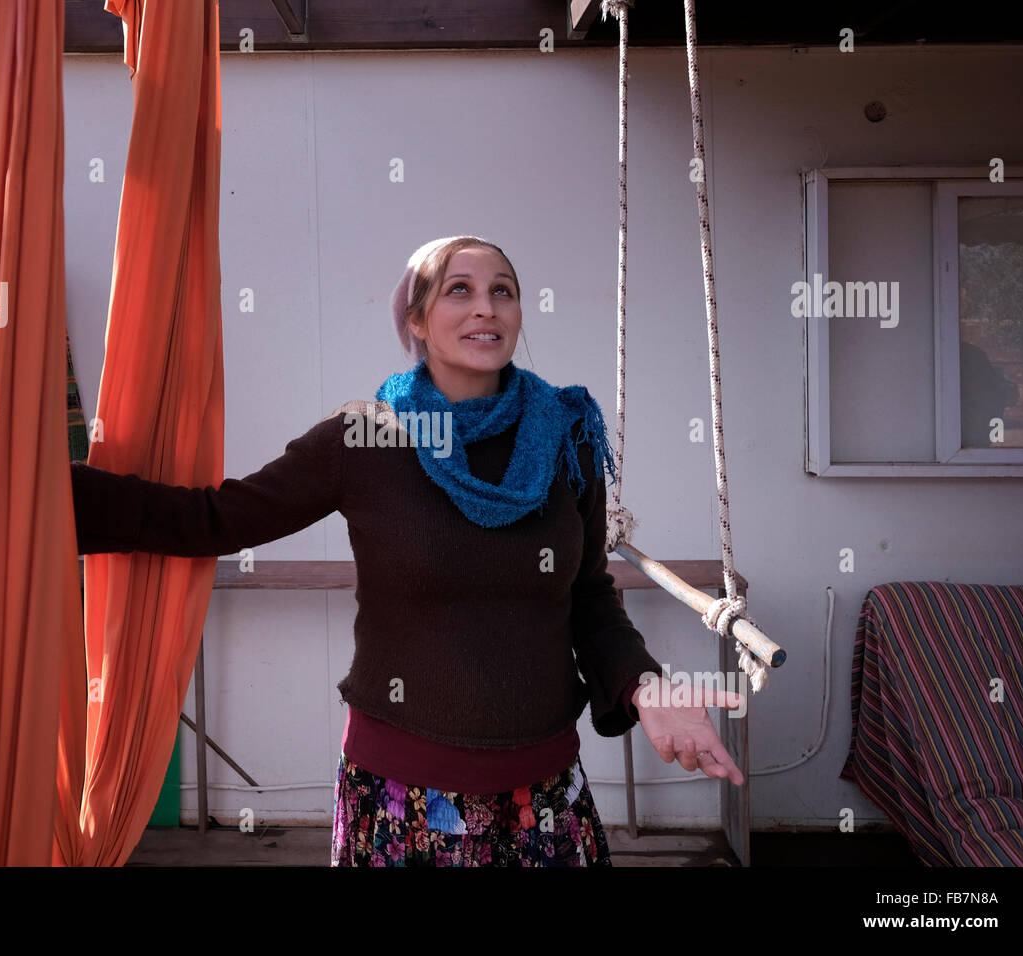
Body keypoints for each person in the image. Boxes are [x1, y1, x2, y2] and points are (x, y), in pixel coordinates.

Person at [70, 235, 744, 867]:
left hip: (544, 801)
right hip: (401, 803)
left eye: (502, 290)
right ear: (417, 321)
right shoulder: (363, 440)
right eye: (458, 289)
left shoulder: (569, 436)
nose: (486, 306)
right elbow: (213, 518)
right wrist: (42, 495)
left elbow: (589, 597)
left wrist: (646, 683)